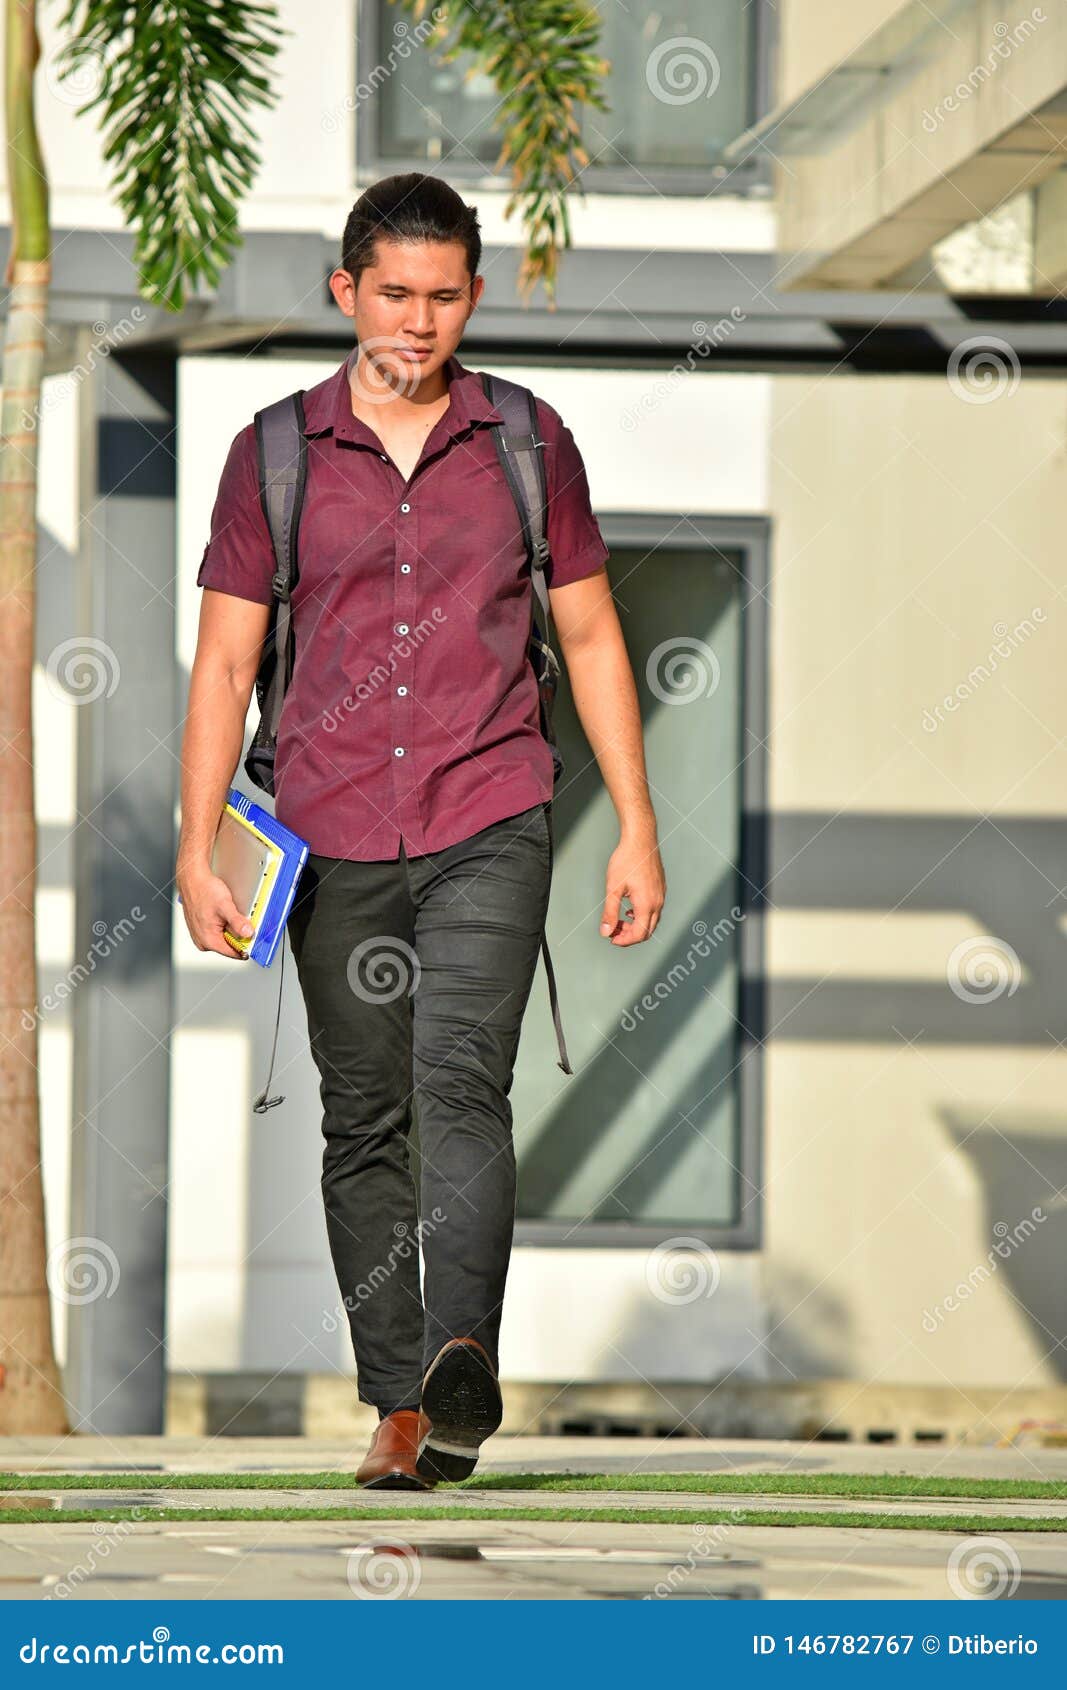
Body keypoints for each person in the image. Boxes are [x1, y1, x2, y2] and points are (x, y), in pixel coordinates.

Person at [176, 172, 666, 1489]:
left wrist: (635, 823)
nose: (418, 319)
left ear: (475, 297)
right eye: (393, 292)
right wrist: (192, 847)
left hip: (490, 811)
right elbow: (224, 669)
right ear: (345, 291)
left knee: (463, 1088)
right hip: (329, 830)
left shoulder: (526, 440)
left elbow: (591, 631)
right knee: (363, 1119)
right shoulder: (276, 454)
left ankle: (459, 1355)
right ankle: (399, 1401)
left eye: (445, 295)